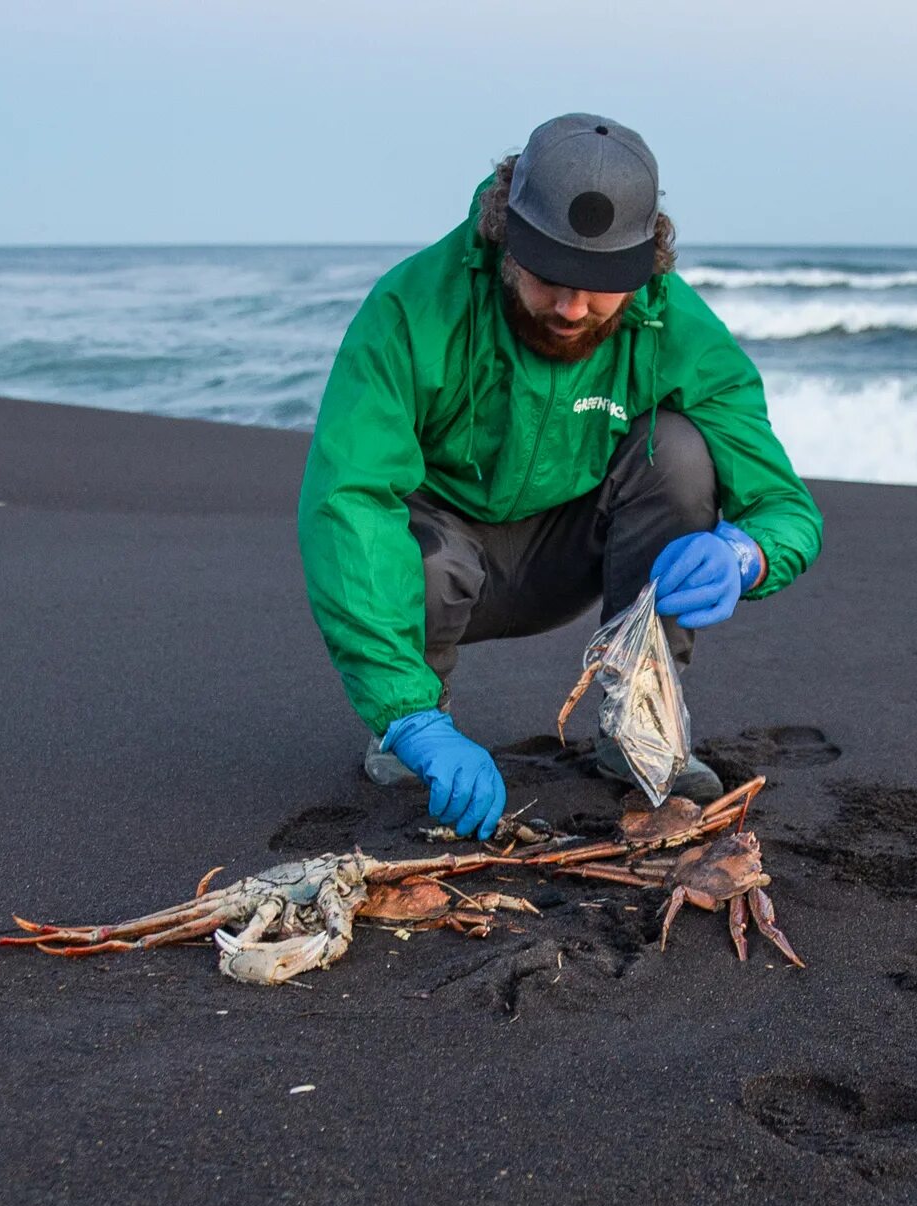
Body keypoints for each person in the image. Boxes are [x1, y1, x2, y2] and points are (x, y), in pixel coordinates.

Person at [296, 114, 823, 839]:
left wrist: (747, 553)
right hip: (440, 564)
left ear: (647, 265)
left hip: (570, 556)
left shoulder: (674, 327)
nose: (572, 308)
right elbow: (346, 500)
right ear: (505, 237)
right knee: (401, 543)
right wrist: (404, 713)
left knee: (678, 447)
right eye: (549, 278)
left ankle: (635, 725)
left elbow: (783, 505)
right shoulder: (411, 309)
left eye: (601, 285)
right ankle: (417, 718)